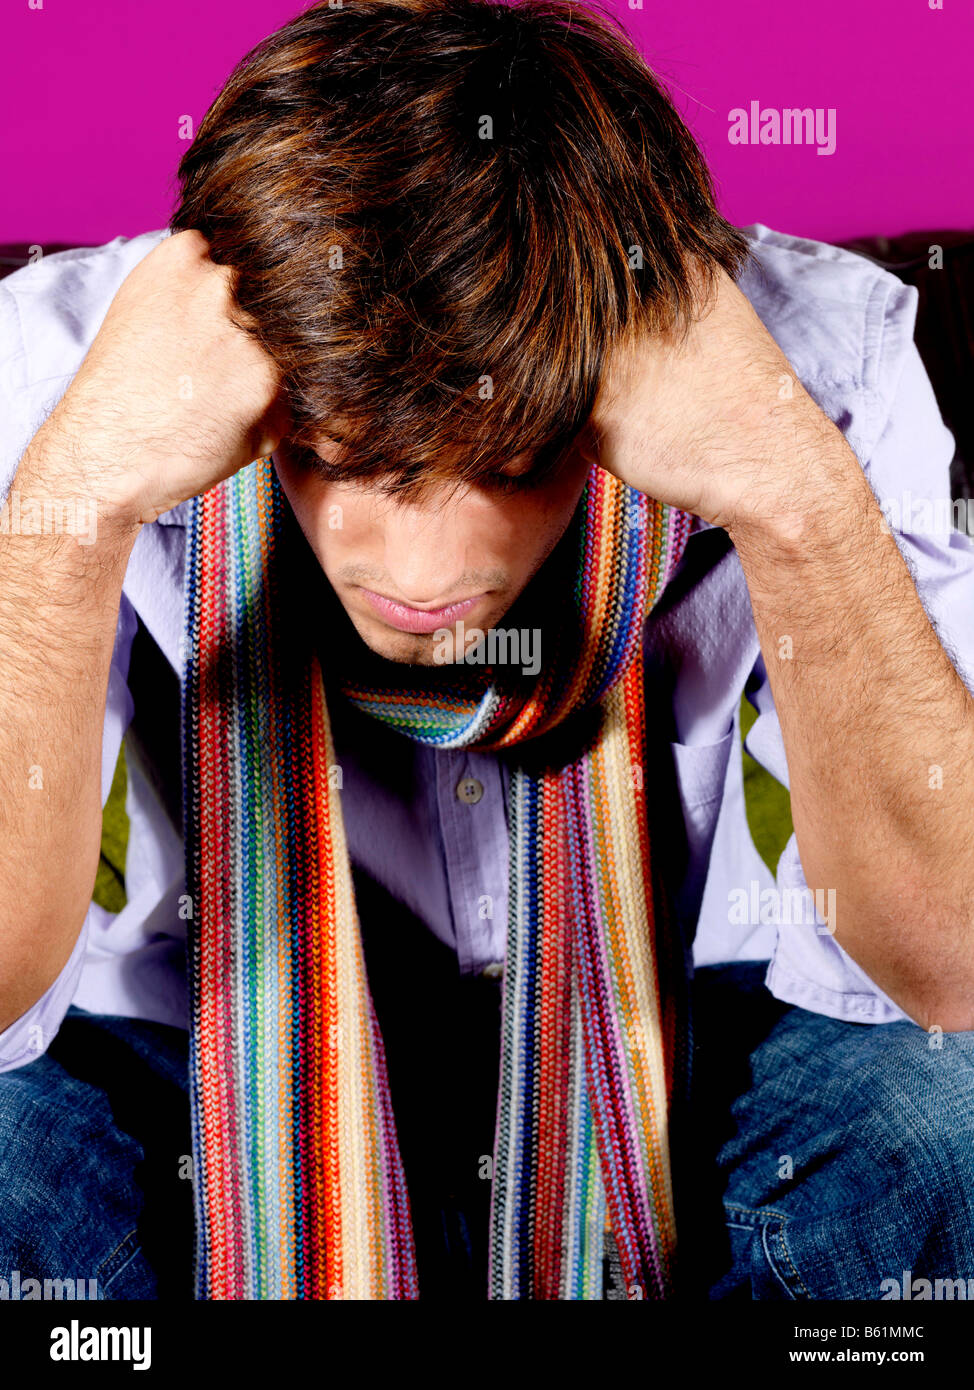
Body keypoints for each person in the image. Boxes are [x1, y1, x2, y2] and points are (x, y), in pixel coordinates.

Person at [1, 0, 973, 1303]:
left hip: (670, 1033)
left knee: (949, 1111)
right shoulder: (68, 369)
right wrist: (73, 503)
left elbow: (953, 960)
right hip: (203, 1041)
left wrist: (793, 492)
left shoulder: (805, 356)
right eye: (341, 458)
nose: (422, 576)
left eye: (515, 465)